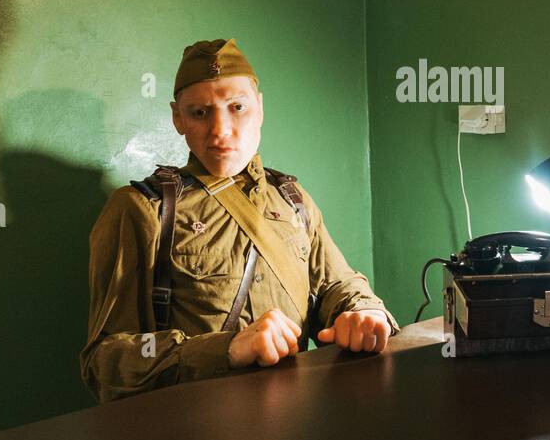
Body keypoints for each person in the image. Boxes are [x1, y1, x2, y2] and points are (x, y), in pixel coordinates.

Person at [80, 38, 398, 403]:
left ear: (259, 108)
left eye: (237, 107)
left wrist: (364, 312)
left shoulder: (291, 199)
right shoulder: (144, 209)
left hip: (300, 419)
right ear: (177, 118)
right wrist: (225, 349)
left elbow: (335, 284)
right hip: (192, 431)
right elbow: (104, 362)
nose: (220, 131)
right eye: (200, 112)